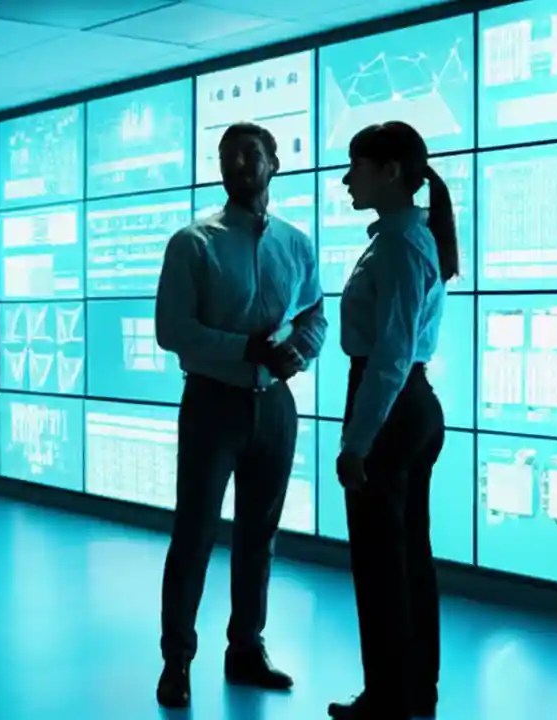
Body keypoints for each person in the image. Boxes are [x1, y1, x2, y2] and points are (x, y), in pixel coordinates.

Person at [153, 121, 327, 709]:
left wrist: (298, 354)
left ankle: (245, 648)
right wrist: (244, 348)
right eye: (228, 154)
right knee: (194, 534)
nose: (238, 162)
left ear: (274, 163)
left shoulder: (297, 245)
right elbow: (171, 331)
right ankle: (176, 660)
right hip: (212, 403)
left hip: (274, 405)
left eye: (250, 153)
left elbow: (315, 317)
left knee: (260, 537)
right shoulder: (193, 242)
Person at [326, 121, 457, 720]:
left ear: (392, 172)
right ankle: (411, 694)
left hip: (390, 405)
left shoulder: (402, 245)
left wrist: (357, 441)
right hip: (412, 403)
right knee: (407, 560)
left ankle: (387, 698)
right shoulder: (408, 238)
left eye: (358, 166)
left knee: (381, 566)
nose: (348, 178)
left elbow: (390, 354)